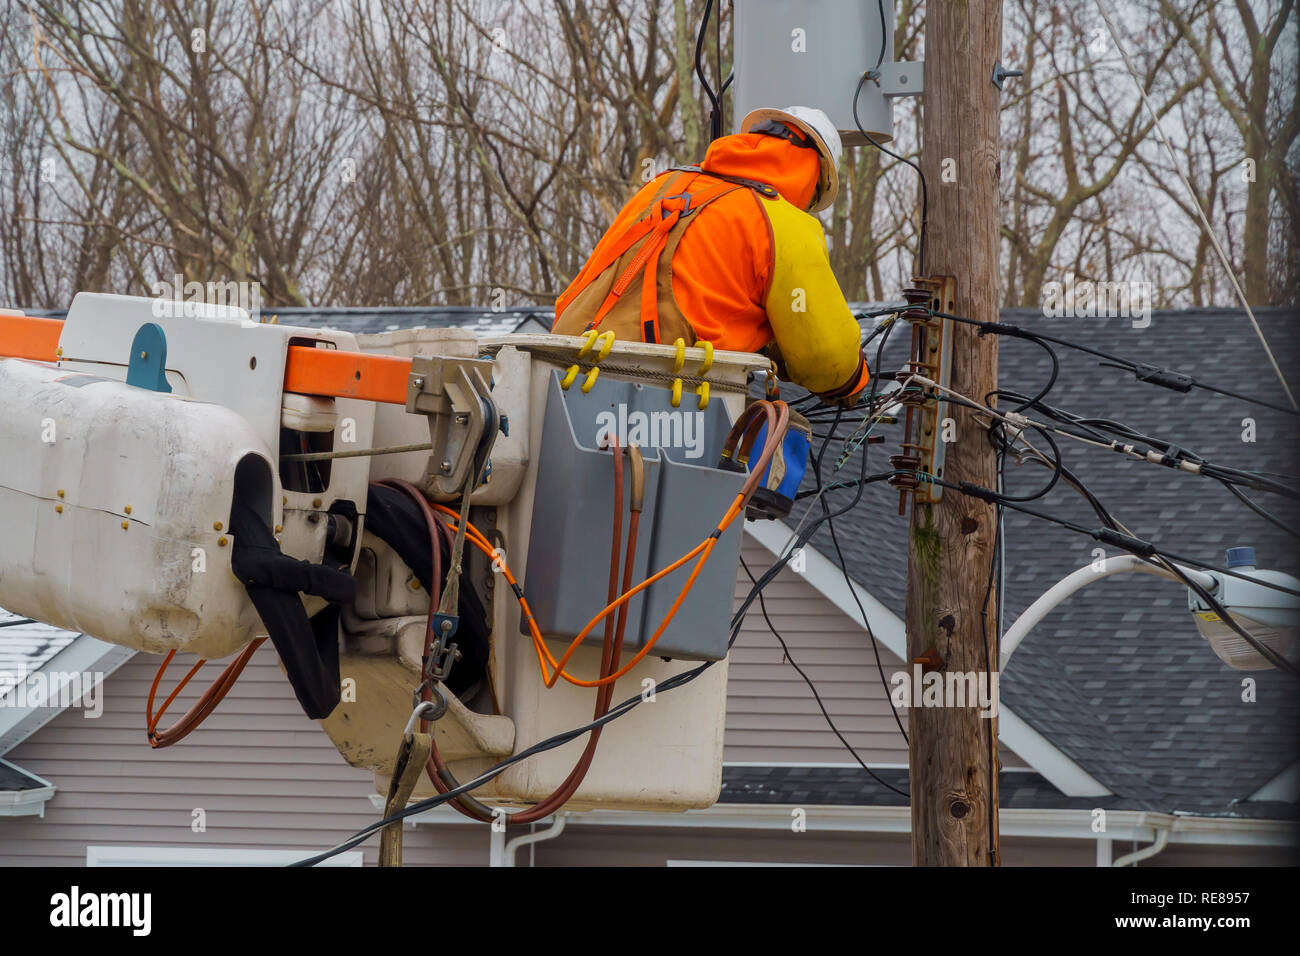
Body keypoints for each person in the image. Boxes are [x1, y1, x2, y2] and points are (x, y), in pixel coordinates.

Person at [553, 106, 870, 405]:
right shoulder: (782, 219)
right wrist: (853, 380)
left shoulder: (664, 183)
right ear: (814, 177)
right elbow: (827, 359)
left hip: (560, 368)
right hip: (663, 393)